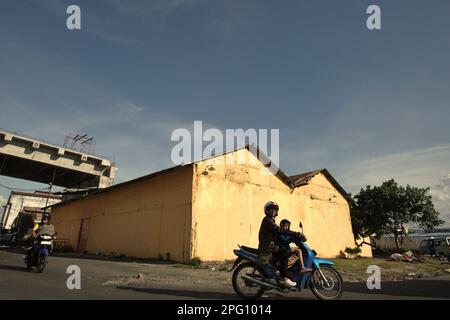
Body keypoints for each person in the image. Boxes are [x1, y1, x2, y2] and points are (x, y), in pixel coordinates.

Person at [258, 201, 298, 287]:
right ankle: (283, 278)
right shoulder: (267, 220)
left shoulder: (271, 220)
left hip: (271, 247)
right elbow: (279, 230)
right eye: (271, 209)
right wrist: (295, 233)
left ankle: (278, 272)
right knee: (284, 252)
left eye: (275, 209)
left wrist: (293, 236)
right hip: (266, 248)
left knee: (284, 251)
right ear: (267, 211)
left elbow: (278, 233)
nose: (273, 211)